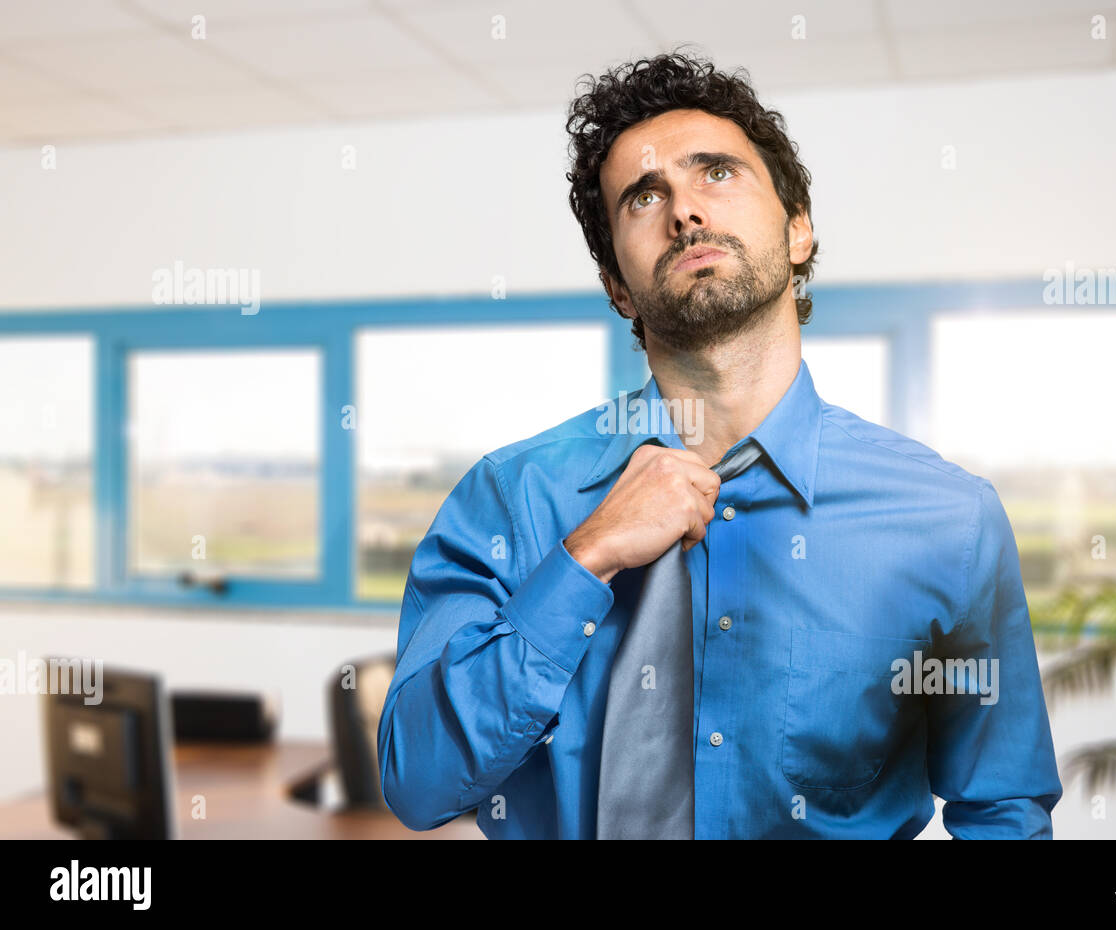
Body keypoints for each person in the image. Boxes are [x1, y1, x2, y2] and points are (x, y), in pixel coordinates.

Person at [377, 49, 1062, 839]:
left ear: (799, 230)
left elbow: (1001, 808)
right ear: (617, 287)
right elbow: (417, 783)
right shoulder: (509, 498)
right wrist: (584, 557)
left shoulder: (950, 520)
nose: (685, 212)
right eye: (644, 197)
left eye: (718, 174)